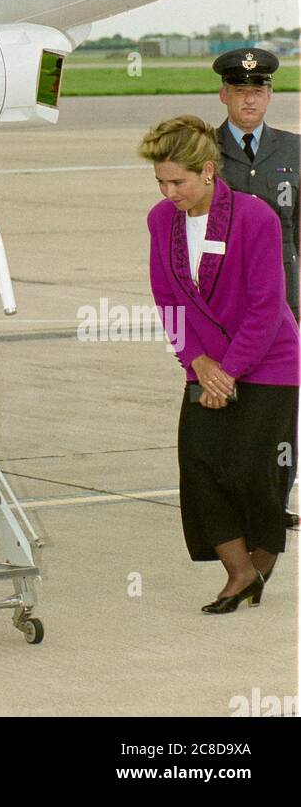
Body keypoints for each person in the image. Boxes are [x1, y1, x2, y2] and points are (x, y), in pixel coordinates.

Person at [139, 115, 299, 613]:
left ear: (208, 172)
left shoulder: (256, 217)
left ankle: (261, 560)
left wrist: (228, 371)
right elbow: (167, 298)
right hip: (203, 363)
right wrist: (197, 361)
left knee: (256, 469)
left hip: (269, 360)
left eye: (178, 181)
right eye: (161, 181)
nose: (169, 192)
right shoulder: (160, 220)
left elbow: (267, 306)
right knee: (201, 465)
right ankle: (240, 573)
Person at [212, 47, 299, 319]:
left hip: (282, 289)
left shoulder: (294, 148)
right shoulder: (204, 149)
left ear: (269, 95)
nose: (249, 100)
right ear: (224, 95)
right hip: (223, 288)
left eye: (258, 91)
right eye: (240, 91)